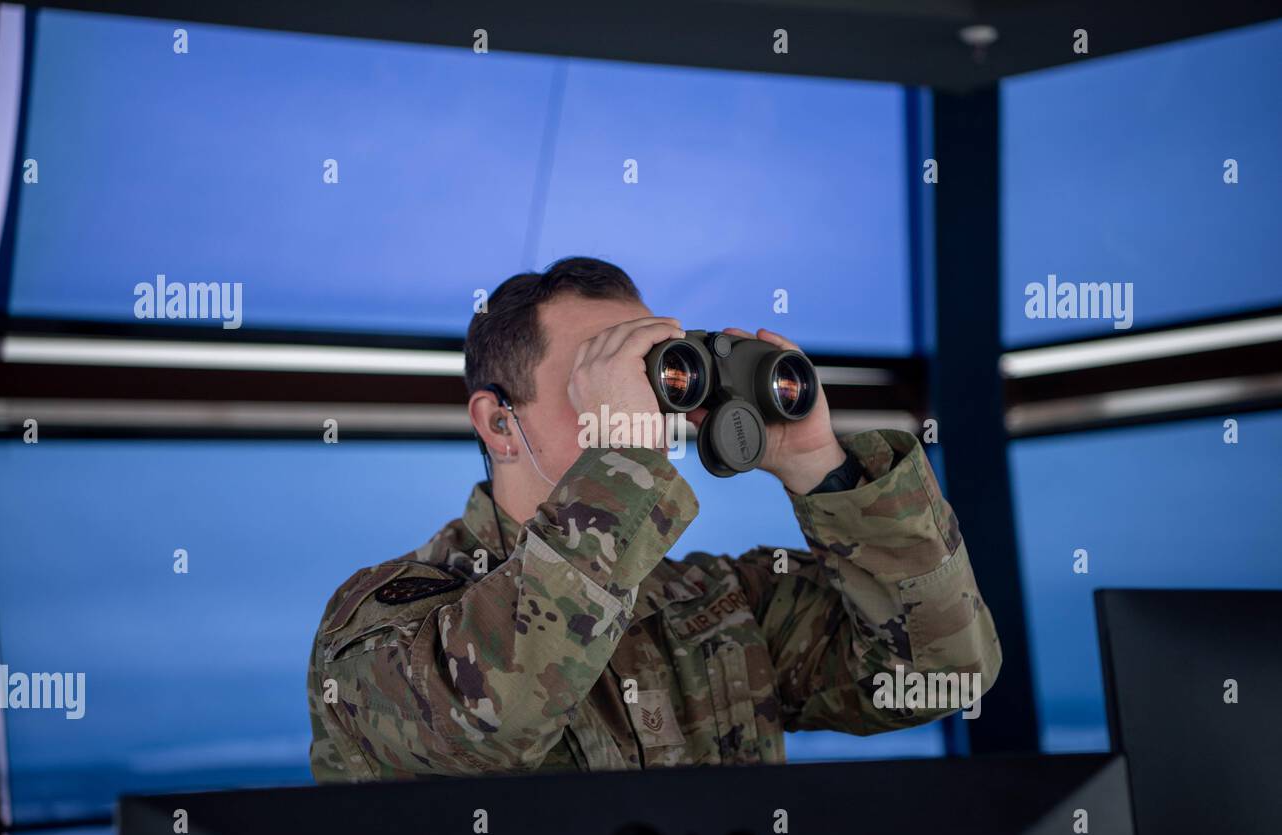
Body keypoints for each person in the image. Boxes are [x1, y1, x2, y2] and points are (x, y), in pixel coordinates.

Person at [307, 257, 1001, 780]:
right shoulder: (384, 623)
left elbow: (945, 670)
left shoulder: (722, 603)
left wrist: (819, 464)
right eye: (601, 377)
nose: (644, 406)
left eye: (647, 374)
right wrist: (625, 454)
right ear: (499, 422)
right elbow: (488, 721)